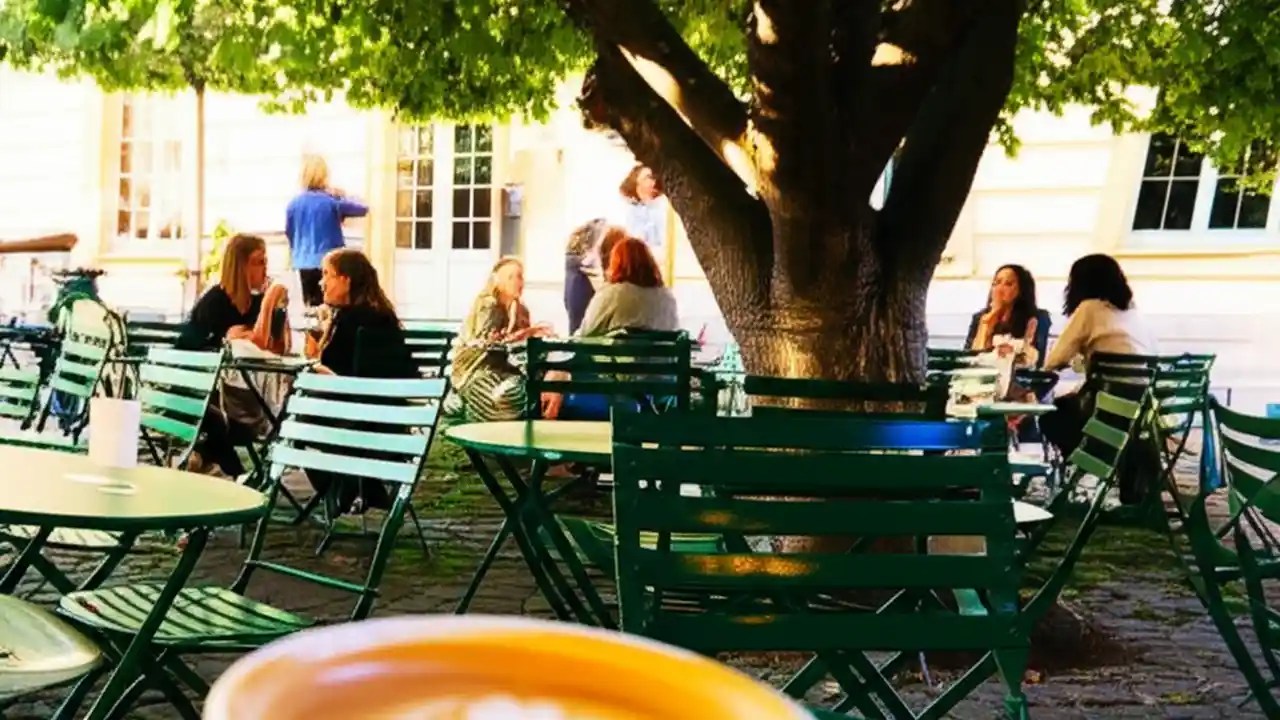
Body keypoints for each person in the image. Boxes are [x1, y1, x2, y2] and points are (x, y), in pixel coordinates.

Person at [302, 248, 415, 514]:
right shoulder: (383, 317)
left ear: (346, 280)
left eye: (327, 275)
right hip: (391, 421)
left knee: (294, 416)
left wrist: (315, 363)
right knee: (301, 412)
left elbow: (337, 375)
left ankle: (342, 488)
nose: (322, 282)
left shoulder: (352, 321)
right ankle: (361, 486)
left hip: (360, 422)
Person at [178, 234, 291, 477]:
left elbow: (277, 348)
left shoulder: (257, 302)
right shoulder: (216, 302)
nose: (265, 268)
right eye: (258, 262)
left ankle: (206, 458)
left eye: (266, 261)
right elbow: (254, 343)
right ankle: (238, 474)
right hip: (203, 390)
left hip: (244, 392)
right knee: (221, 421)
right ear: (240, 265)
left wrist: (276, 308)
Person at [1039, 253, 1157, 458]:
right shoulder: (1134, 312)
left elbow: (1053, 361)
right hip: (1143, 410)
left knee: (1050, 416)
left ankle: (1086, 462)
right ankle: (1113, 461)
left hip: (1104, 411)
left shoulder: (1089, 308)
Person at [449, 257, 551, 422]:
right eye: (513, 277)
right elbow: (487, 342)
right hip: (478, 369)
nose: (519, 282)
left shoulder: (520, 309)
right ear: (498, 281)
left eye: (521, 277)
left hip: (505, 368)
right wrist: (528, 333)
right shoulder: (489, 305)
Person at [286, 154, 369, 308]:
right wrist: (342, 195)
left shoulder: (294, 204)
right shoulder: (331, 201)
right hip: (331, 263)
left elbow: (290, 233)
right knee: (332, 307)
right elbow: (363, 208)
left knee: (311, 308)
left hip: (303, 262)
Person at [578, 236, 679, 337]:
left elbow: (586, 333)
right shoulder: (667, 298)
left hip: (619, 352)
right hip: (660, 353)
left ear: (616, 263)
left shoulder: (611, 295)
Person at [966, 264, 1045, 368]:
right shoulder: (980, 317)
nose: (999, 289)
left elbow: (1036, 360)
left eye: (1008, 284)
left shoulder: (1036, 318)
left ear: (1020, 290)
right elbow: (972, 357)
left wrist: (1012, 354)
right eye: (996, 283)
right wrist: (987, 323)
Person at [616, 164, 668, 261]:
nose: (654, 181)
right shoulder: (629, 211)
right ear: (636, 183)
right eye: (648, 177)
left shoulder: (663, 206)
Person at [564, 218, 606, 335]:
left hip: (575, 297)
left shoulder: (571, 258)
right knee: (578, 327)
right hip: (579, 296)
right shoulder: (575, 259)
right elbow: (588, 262)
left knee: (576, 328)